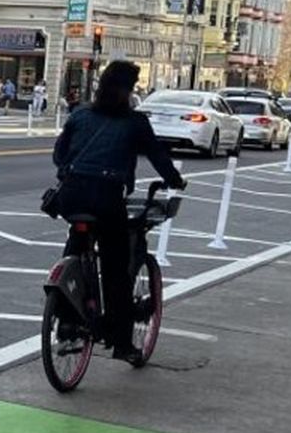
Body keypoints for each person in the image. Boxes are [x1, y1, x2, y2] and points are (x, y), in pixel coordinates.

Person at [50, 60, 188, 362]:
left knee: (76, 244)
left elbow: (58, 155)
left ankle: (66, 316)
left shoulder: (81, 113)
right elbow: (159, 158)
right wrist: (175, 181)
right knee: (116, 269)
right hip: (106, 198)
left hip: (72, 198)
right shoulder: (135, 123)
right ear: (128, 90)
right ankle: (122, 342)